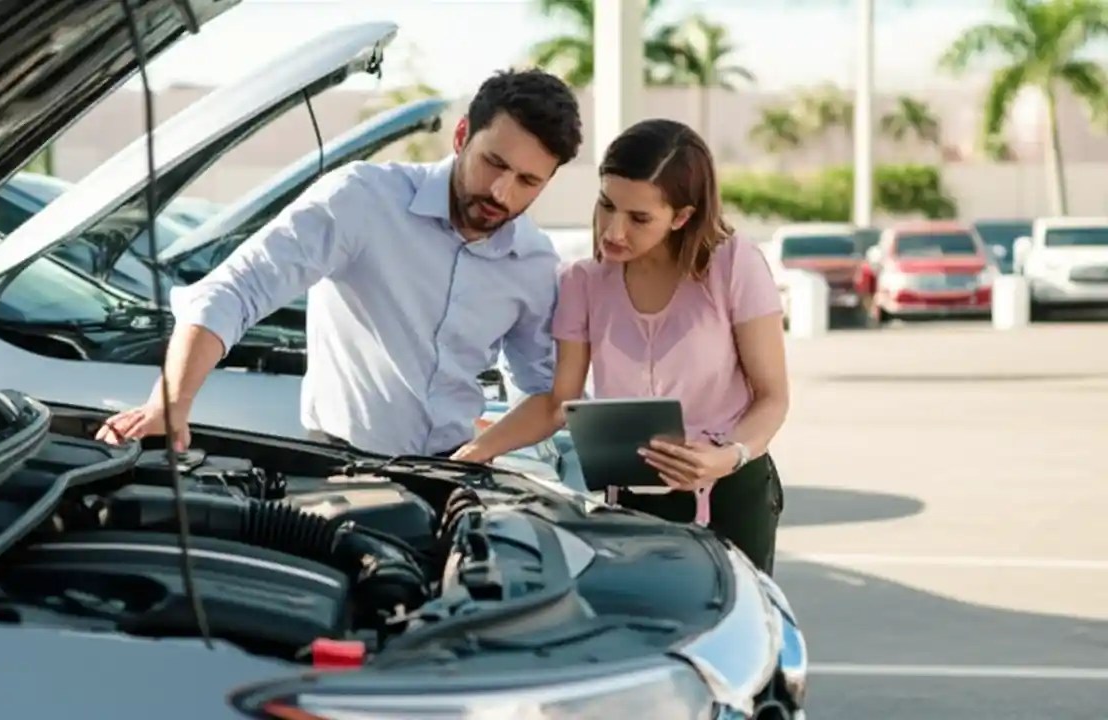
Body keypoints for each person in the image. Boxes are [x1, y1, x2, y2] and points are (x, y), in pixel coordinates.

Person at [94, 68, 583, 457]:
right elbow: (238, 289)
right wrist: (170, 401)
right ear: (461, 136)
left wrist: (478, 454)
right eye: (494, 163)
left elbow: (544, 390)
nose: (502, 192)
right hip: (341, 465)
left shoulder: (535, 262)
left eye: (528, 181)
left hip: (457, 473)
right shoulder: (362, 200)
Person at [452, 118, 790, 574]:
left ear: (682, 216)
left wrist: (726, 457)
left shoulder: (734, 265)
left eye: (639, 218)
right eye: (607, 205)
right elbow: (557, 403)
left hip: (731, 494)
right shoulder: (582, 283)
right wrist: (473, 453)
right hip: (630, 505)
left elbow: (772, 397)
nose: (613, 230)